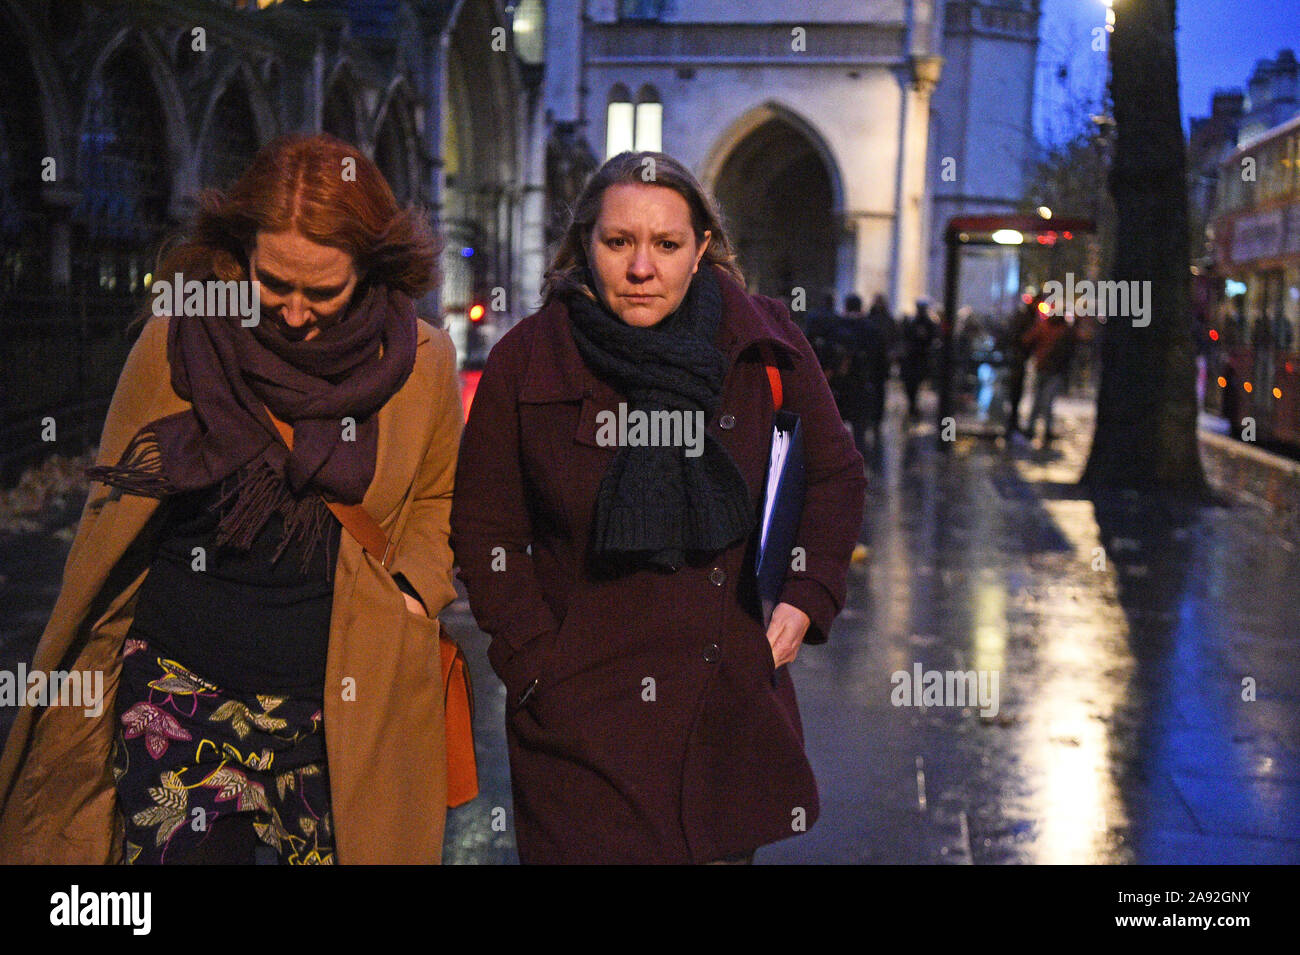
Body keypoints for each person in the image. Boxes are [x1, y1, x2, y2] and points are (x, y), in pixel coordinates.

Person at [0, 134, 463, 864]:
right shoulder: (176, 340)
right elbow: (110, 516)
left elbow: (437, 498)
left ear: (372, 271)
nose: (293, 311)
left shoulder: (422, 364)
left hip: (338, 708)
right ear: (239, 252)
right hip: (179, 693)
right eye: (272, 282)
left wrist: (414, 591)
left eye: (323, 290)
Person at [450, 151, 867, 864]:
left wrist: (807, 595)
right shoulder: (530, 358)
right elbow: (486, 527)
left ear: (701, 247)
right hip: (579, 726)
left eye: (667, 245)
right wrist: (536, 664)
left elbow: (834, 472)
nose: (642, 268)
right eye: (619, 243)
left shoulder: (759, 338)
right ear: (587, 243)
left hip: (721, 708)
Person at [830, 293, 893, 455]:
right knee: (859, 430)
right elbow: (881, 360)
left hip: (840, 385)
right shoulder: (871, 329)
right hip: (863, 384)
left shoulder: (836, 327)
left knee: (835, 428)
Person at [1022, 309, 1075, 445]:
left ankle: (1031, 428)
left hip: (1042, 366)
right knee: (1048, 401)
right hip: (1054, 370)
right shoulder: (1064, 331)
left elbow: (1027, 340)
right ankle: (1046, 430)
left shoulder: (1044, 326)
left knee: (1038, 399)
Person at [1002, 293, 1040, 438]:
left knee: (1016, 393)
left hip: (1019, 359)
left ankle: (1012, 423)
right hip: (1017, 359)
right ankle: (1011, 424)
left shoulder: (1026, 316)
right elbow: (1022, 338)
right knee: (1015, 393)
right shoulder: (1026, 317)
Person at [900, 299, 936, 417]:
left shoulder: (928, 324)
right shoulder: (912, 322)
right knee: (911, 386)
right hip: (912, 359)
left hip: (920, 358)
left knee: (915, 385)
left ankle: (913, 406)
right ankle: (912, 406)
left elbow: (931, 339)